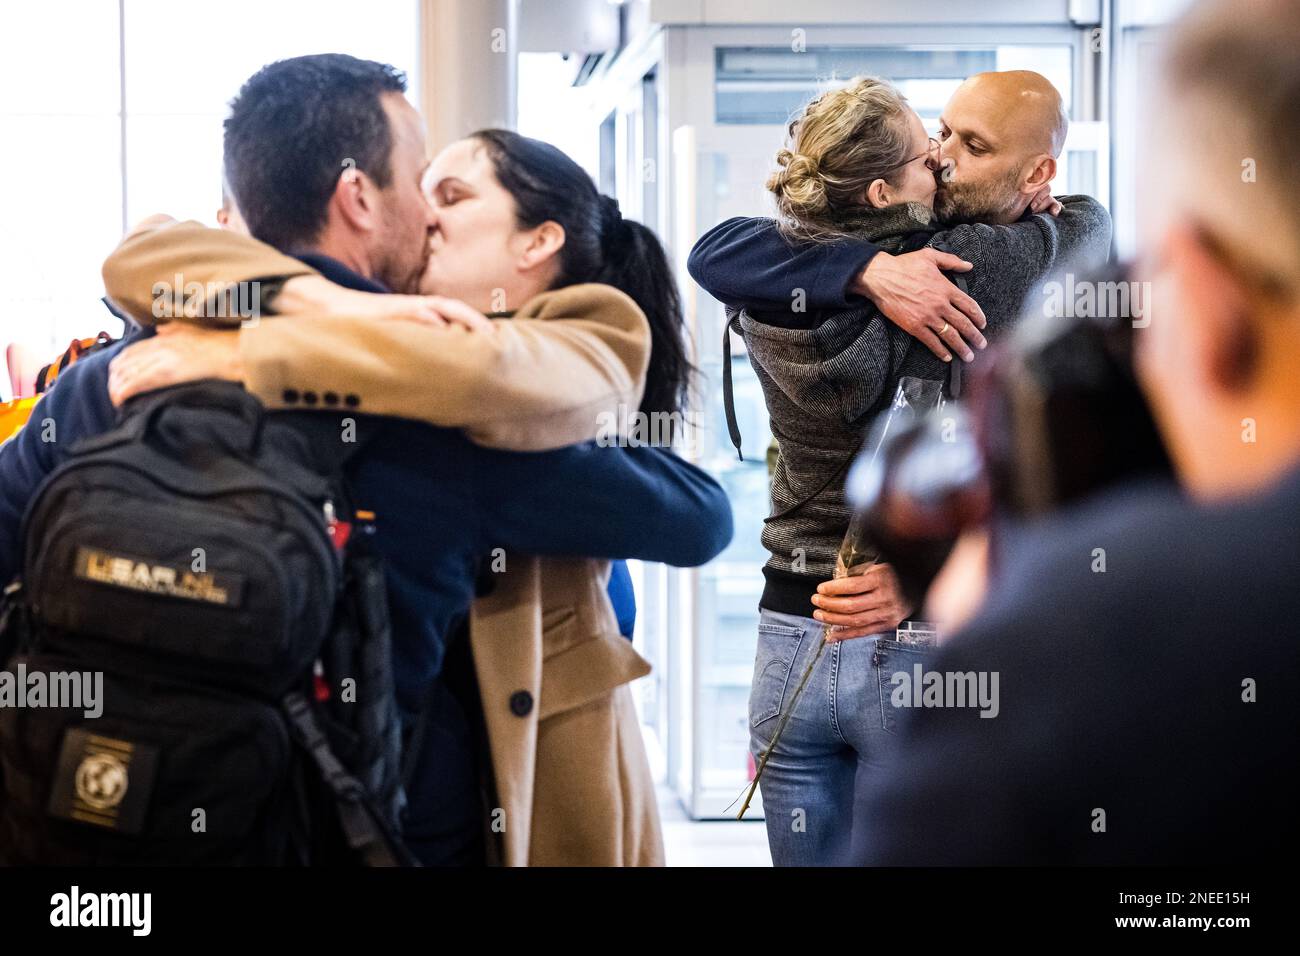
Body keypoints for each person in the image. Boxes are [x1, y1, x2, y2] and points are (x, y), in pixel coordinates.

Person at [0, 54, 733, 867]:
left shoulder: (114, 378)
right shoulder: (450, 414)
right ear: (357, 196)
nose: (428, 212)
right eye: (424, 183)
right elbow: (693, 514)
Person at [854, 0, 1300, 865]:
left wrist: (997, 632)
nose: (943, 158)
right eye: (943, 135)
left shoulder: (1091, 638)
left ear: (1202, 304)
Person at [688, 72, 1110, 865]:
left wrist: (857, 269)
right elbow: (1092, 229)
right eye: (936, 144)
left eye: (964, 143)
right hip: (904, 640)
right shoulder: (968, 258)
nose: (945, 161)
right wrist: (880, 270)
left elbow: (713, 250)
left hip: (788, 633)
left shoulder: (774, 285)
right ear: (883, 192)